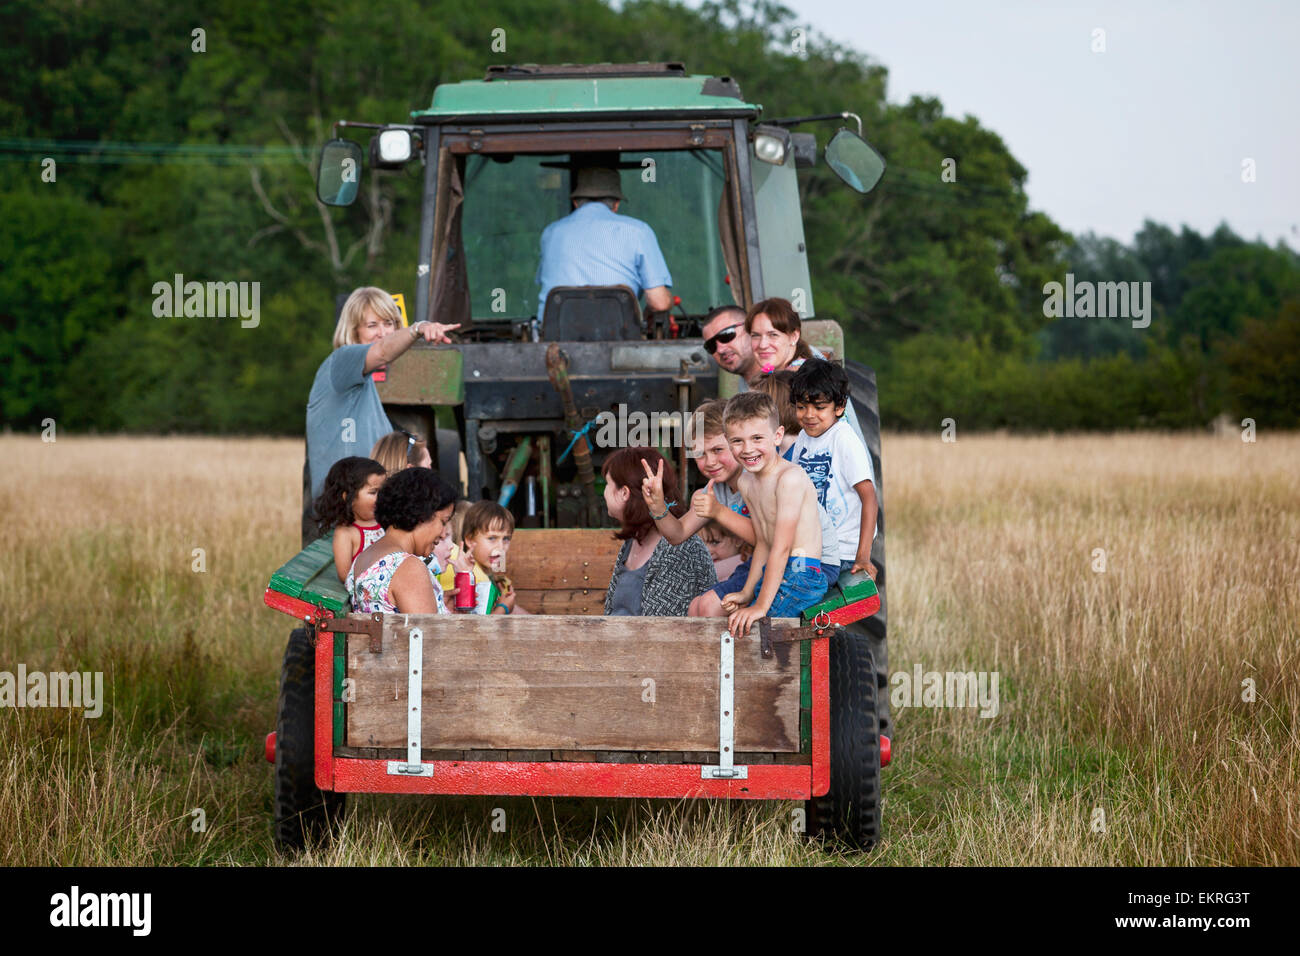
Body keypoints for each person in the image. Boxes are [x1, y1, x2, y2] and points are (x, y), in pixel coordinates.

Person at [306, 286, 458, 500]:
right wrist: (419, 328)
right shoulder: (342, 360)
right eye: (372, 325)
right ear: (353, 330)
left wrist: (418, 450)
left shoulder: (366, 389)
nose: (383, 332)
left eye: (389, 324)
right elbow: (383, 351)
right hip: (343, 513)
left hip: (366, 511)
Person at [718, 392, 827, 636]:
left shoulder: (789, 479)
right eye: (737, 441)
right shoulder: (747, 482)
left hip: (801, 572)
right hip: (776, 568)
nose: (748, 449)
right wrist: (748, 592)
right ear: (727, 440)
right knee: (740, 621)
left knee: (759, 629)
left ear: (777, 436)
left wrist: (760, 606)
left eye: (757, 438)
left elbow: (781, 548)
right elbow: (764, 543)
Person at [535, 165, 673, 320]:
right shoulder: (638, 231)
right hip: (620, 340)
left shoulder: (551, 233)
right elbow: (659, 303)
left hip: (554, 340)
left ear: (575, 202)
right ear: (616, 204)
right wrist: (668, 300)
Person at [790, 359, 878, 581]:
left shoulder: (844, 439)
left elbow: (869, 497)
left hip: (843, 555)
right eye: (801, 407)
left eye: (819, 408)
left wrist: (863, 557)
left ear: (839, 407)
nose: (809, 415)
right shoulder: (803, 438)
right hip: (814, 548)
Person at [602, 447, 716, 617]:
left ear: (624, 493)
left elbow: (663, 629)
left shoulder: (679, 550)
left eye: (607, 484)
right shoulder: (633, 542)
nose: (604, 493)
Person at [346, 467, 458, 615]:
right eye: (443, 522)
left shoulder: (365, 557)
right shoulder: (408, 568)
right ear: (422, 515)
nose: (443, 534)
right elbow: (427, 635)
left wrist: (441, 607)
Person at [312, 456, 387, 583]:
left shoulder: (383, 521)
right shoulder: (346, 533)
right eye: (373, 492)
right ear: (348, 498)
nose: (381, 497)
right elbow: (345, 576)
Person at [437, 501, 519, 614]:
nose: (500, 547)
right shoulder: (476, 580)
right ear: (470, 540)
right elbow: (481, 629)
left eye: (506, 539)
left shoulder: (489, 576)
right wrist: (504, 608)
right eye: (492, 538)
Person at [701, 304, 759, 382]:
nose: (720, 350)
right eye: (711, 345)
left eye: (726, 336)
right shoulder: (745, 386)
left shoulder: (777, 379)